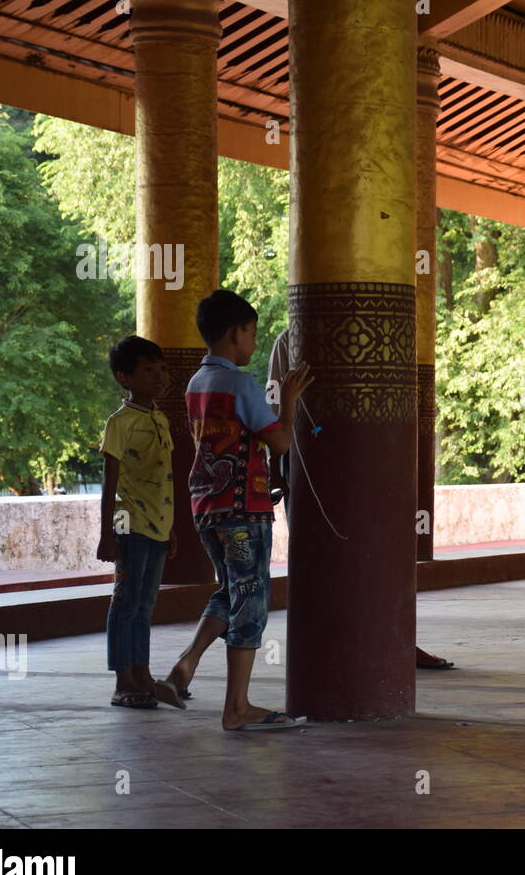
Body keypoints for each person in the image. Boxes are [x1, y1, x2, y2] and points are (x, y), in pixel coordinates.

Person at [153, 290, 313, 730]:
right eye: (251, 333)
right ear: (234, 333)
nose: (254, 343)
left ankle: (183, 668)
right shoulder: (241, 384)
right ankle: (237, 708)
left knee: (230, 591)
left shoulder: (196, 383)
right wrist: (290, 400)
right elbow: (279, 441)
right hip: (244, 509)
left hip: (207, 506)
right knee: (252, 603)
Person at [267, 327, 455, 670]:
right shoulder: (289, 340)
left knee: (382, 557)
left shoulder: (382, 332)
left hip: (371, 466)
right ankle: (325, 645)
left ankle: (395, 641)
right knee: (316, 556)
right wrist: (275, 467)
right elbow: (274, 405)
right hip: (309, 466)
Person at [97, 335, 175, 709]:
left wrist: (171, 526)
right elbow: (109, 481)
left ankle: (142, 672)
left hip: (158, 526)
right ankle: (122, 679)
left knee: (145, 605)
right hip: (130, 527)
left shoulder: (159, 418)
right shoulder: (120, 422)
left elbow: (165, 478)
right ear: (123, 378)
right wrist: (106, 534)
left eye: (161, 369)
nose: (159, 376)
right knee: (125, 603)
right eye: (149, 370)